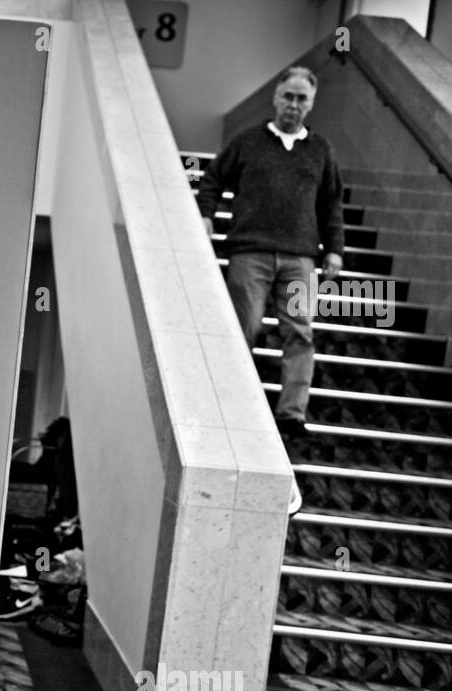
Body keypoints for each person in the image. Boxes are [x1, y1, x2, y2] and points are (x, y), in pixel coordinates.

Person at [196, 65, 345, 440]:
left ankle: (291, 415)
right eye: (288, 97)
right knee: (243, 330)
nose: (294, 105)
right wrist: (205, 216)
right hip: (251, 254)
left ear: (311, 105)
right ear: (276, 98)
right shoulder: (248, 141)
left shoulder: (321, 151)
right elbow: (212, 180)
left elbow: (331, 205)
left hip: (300, 259)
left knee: (301, 334)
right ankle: (231, 406)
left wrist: (336, 251)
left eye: (302, 99)